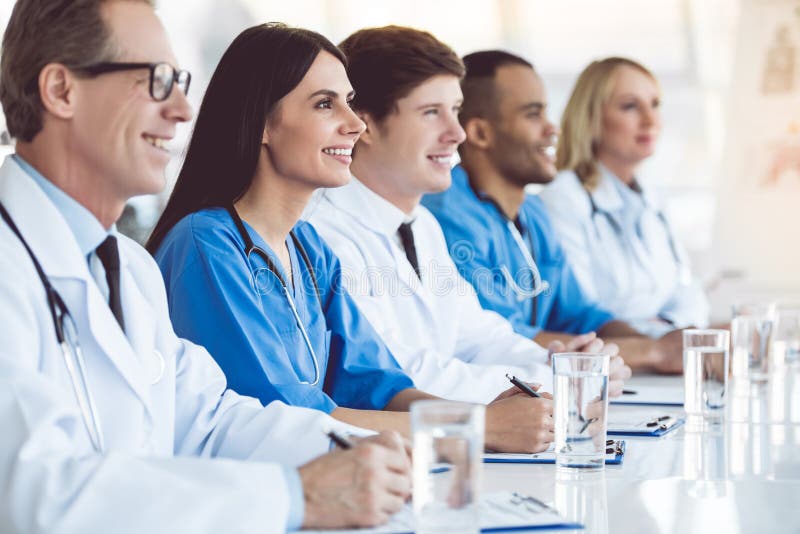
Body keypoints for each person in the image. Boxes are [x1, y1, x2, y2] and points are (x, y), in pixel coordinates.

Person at [0, 1, 411, 531]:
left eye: (179, 81)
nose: (182, 110)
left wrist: (371, 455)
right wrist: (295, 495)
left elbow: (210, 421)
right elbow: (31, 494)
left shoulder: (128, 268)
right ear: (61, 91)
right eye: (156, 80)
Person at [147, 23, 554, 454]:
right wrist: (473, 427)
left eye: (352, 103)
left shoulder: (307, 246)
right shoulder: (208, 246)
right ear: (261, 123)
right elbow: (288, 415)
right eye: (325, 104)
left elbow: (374, 382)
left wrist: (480, 418)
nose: (355, 124)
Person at [306, 26, 630, 401]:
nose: (457, 133)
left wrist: (562, 363)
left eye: (455, 111)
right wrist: (561, 381)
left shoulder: (421, 224)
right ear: (365, 126)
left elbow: (475, 335)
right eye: (431, 113)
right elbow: (397, 370)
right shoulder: (323, 232)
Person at [422, 50, 684, 373]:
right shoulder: (446, 217)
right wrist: (652, 351)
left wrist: (672, 347)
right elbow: (498, 339)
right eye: (533, 115)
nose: (553, 129)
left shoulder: (533, 213)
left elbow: (581, 316)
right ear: (480, 134)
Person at [540, 57, 709, 344]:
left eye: (655, 104)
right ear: (591, 116)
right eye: (630, 106)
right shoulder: (563, 196)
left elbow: (689, 294)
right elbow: (581, 310)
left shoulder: (652, 199)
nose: (651, 120)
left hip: (659, 360)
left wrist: (666, 329)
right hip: (610, 363)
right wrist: (662, 337)